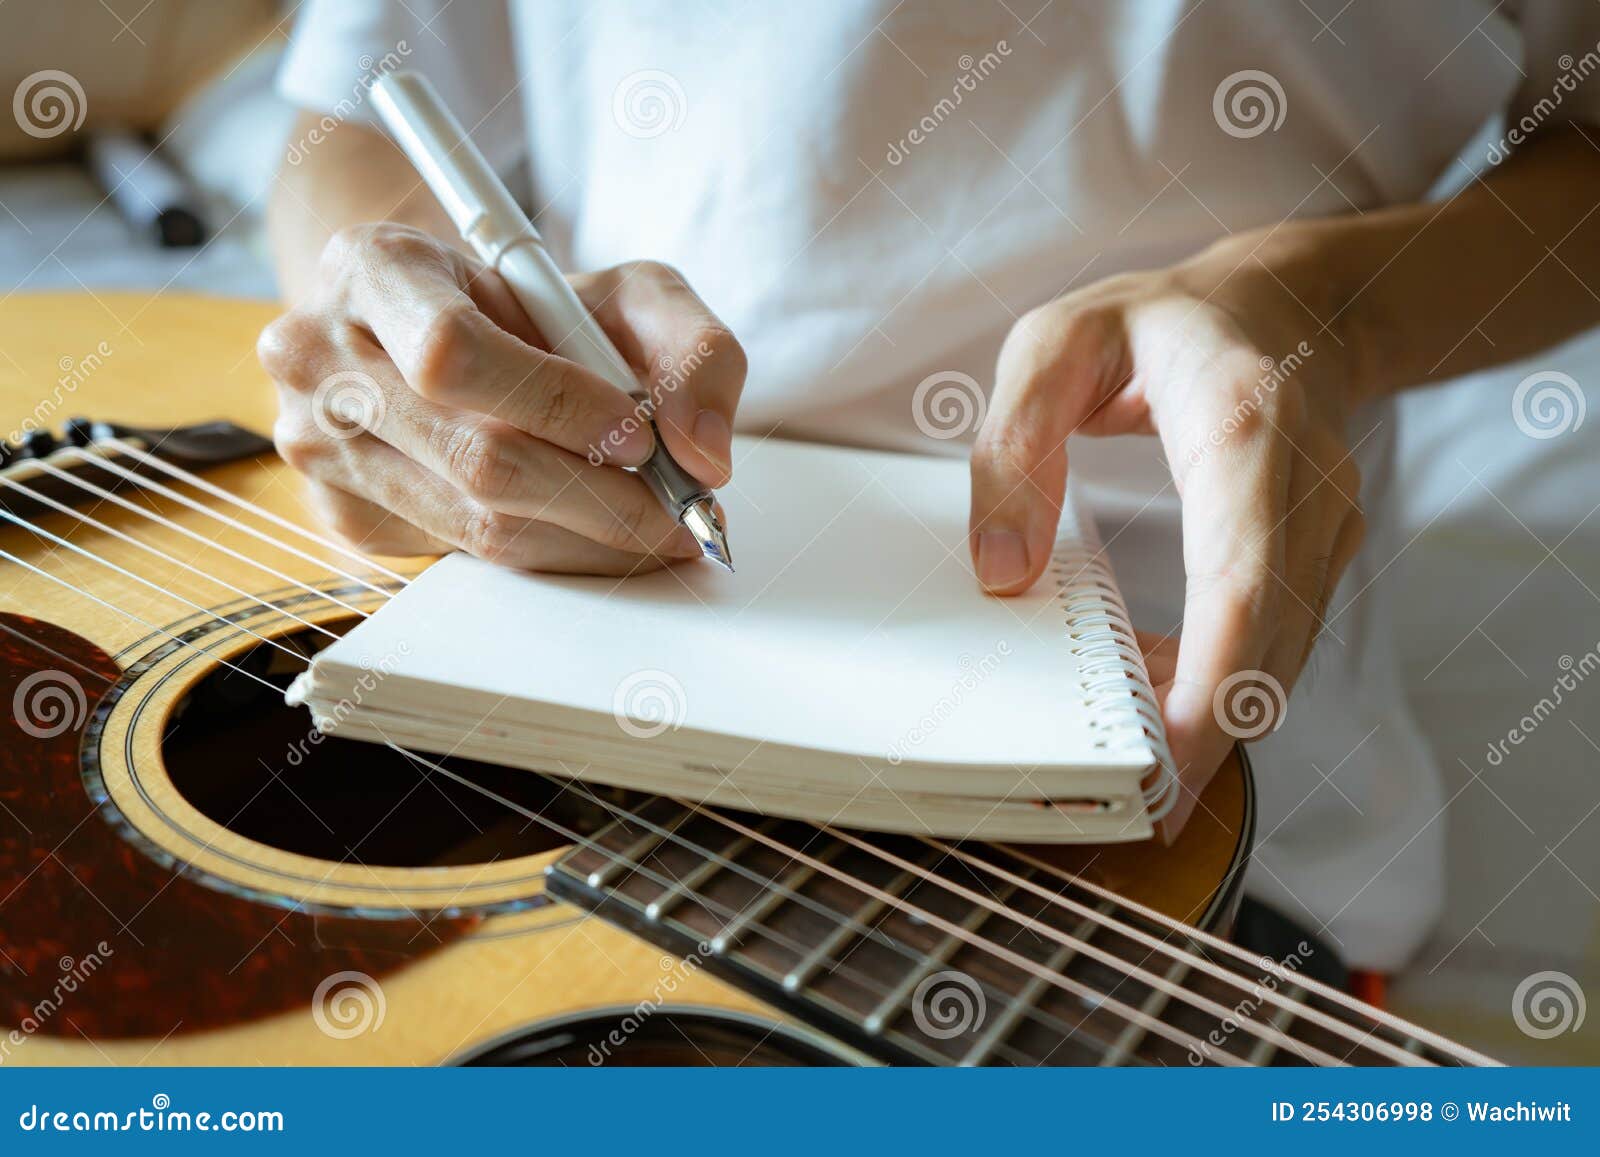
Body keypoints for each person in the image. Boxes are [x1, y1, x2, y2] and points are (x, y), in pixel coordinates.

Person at [260, 0, 1600, 972]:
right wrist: (422, 335)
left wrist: (1319, 313)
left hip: (1192, 817)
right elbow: (358, 106)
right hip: (556, 636)